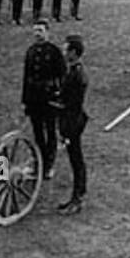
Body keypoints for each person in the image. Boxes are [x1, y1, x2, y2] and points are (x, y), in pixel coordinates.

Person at [22, 20, 65, 180]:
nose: (37, 34)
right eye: (35, 31)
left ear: (47, 32)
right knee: (37, 133)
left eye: (40, 30)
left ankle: (49, 165)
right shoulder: (31, 51)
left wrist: (57, 95)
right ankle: (38, 162)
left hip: (49, 99)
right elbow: (26, 77)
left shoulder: (54, 52)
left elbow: (62, 76)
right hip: (34, 100)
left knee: (51, 133)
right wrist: (25, 100)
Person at [55, 34, 90, 211]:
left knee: (76, 160)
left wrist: (59, 103)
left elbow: (73, 103)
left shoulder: (77, 74)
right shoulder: (73, 70)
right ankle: (77, 195)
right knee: (75, 159)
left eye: (66, 49)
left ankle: (78, 197)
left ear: (73, 52)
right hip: (70, 118)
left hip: (72, 121)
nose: (63, 51)